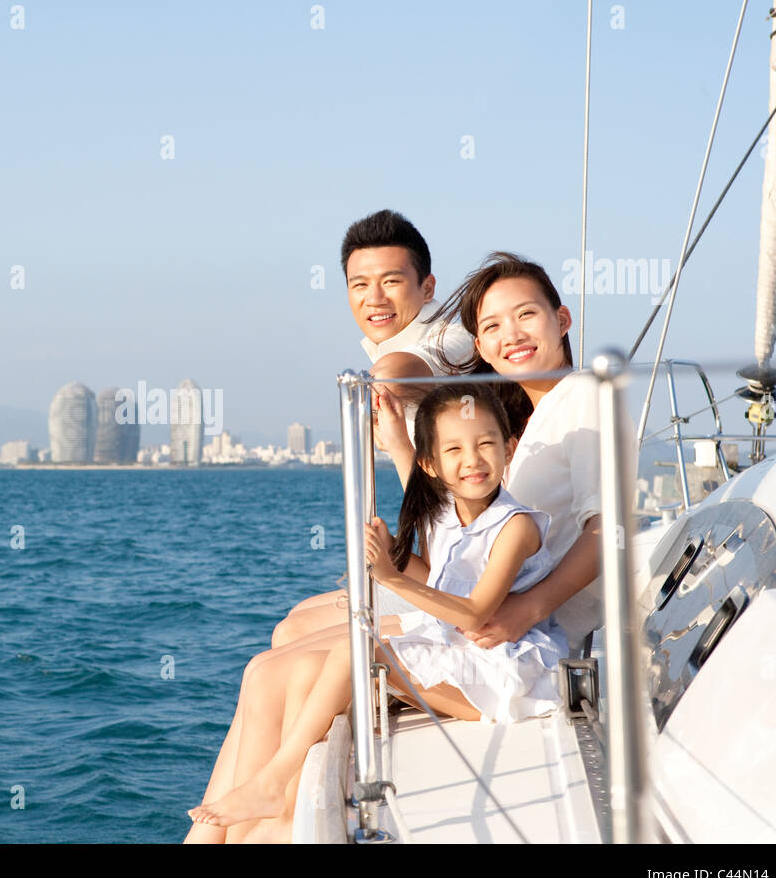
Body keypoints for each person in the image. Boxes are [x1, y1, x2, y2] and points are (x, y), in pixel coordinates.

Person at [184, 251, 607, 843]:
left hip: (517, 630)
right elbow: (459, 520)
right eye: (491, 326)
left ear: (562, 319)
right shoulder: (530, 416)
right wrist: (401, 453)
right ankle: (222, 828)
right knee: (273, 660)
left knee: (283, 669)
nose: (511, 334)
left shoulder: (585, 399)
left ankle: (267, 810)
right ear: (479, 347)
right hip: (477, 610)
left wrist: (525, 609)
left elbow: (604, 530)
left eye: (526, 315)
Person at [187, 383, 565, 829]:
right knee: (263, 667)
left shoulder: (516, 526)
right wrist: (394, 554)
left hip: (502, 676)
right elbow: (441, 571)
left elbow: (474, 613)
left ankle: (274, 783)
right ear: (432, 464)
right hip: (452, 644)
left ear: (510, 447)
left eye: (486, 444)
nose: (473, 460)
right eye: (455, 449)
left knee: (354, 649)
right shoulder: (453, 512)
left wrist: (388, 577)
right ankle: (212, 831)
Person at [269, 209, 472, 650]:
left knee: (292, 635)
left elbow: (396, 372)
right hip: (447, 561)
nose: (374, 298)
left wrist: (377, 391)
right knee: (295, 618)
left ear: (428, 287)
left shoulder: (449, 339)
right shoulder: (396, 340)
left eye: (391, 281)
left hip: (470, 577)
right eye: (360, 285)